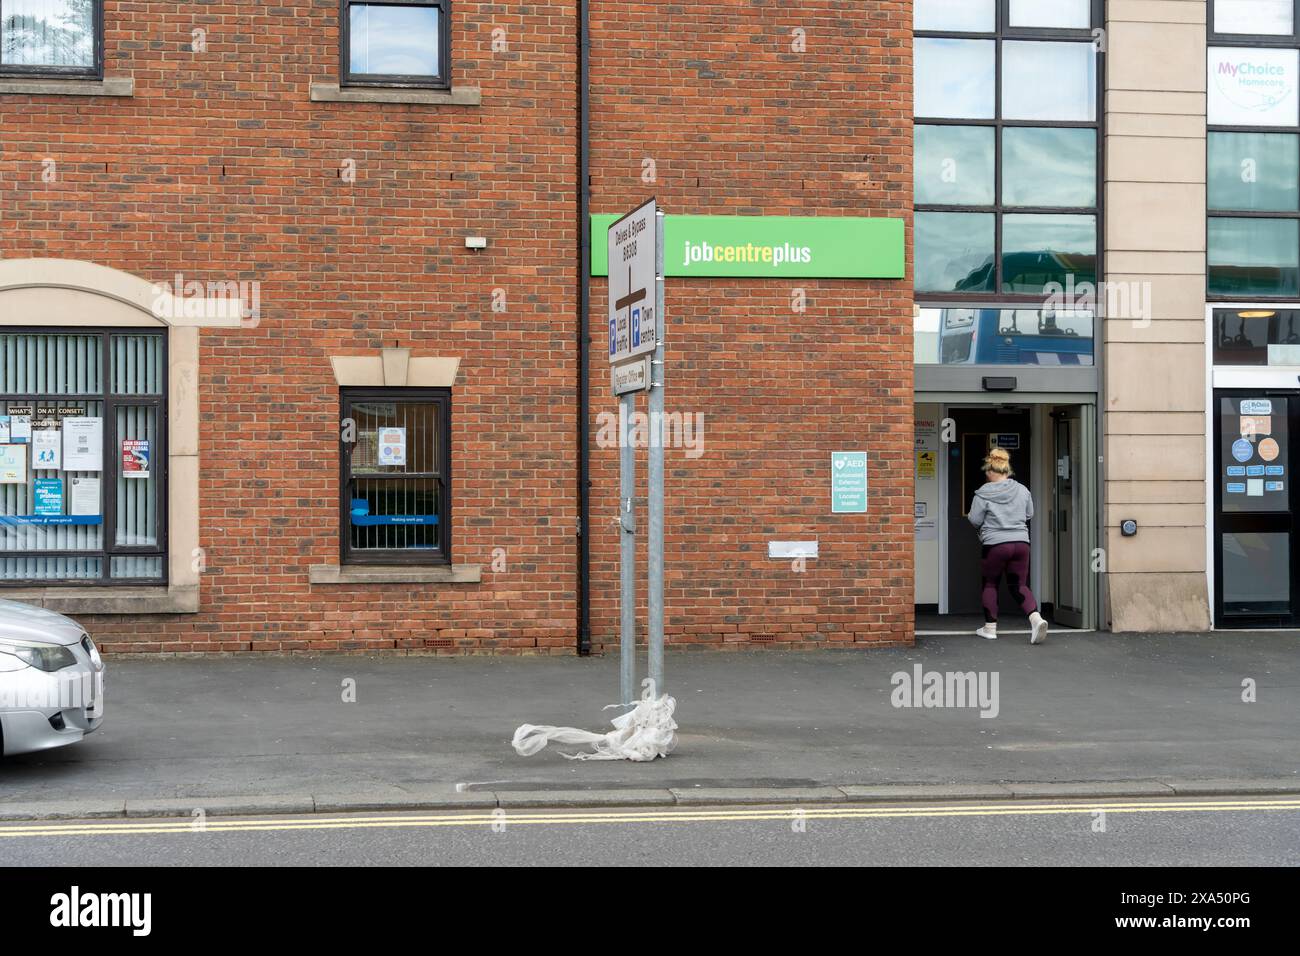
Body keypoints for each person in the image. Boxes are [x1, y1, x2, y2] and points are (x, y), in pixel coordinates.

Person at [967, 446, 1048, 645]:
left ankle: (990, 628)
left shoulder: (983, 493)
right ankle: (1036, 619)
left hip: (995, 545)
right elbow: (1029, 514)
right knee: (1019, 585)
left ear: (990, 470)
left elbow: (974, 520)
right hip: (1021, 543)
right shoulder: (1022, 489)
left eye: (986, 470)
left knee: (990, 584)